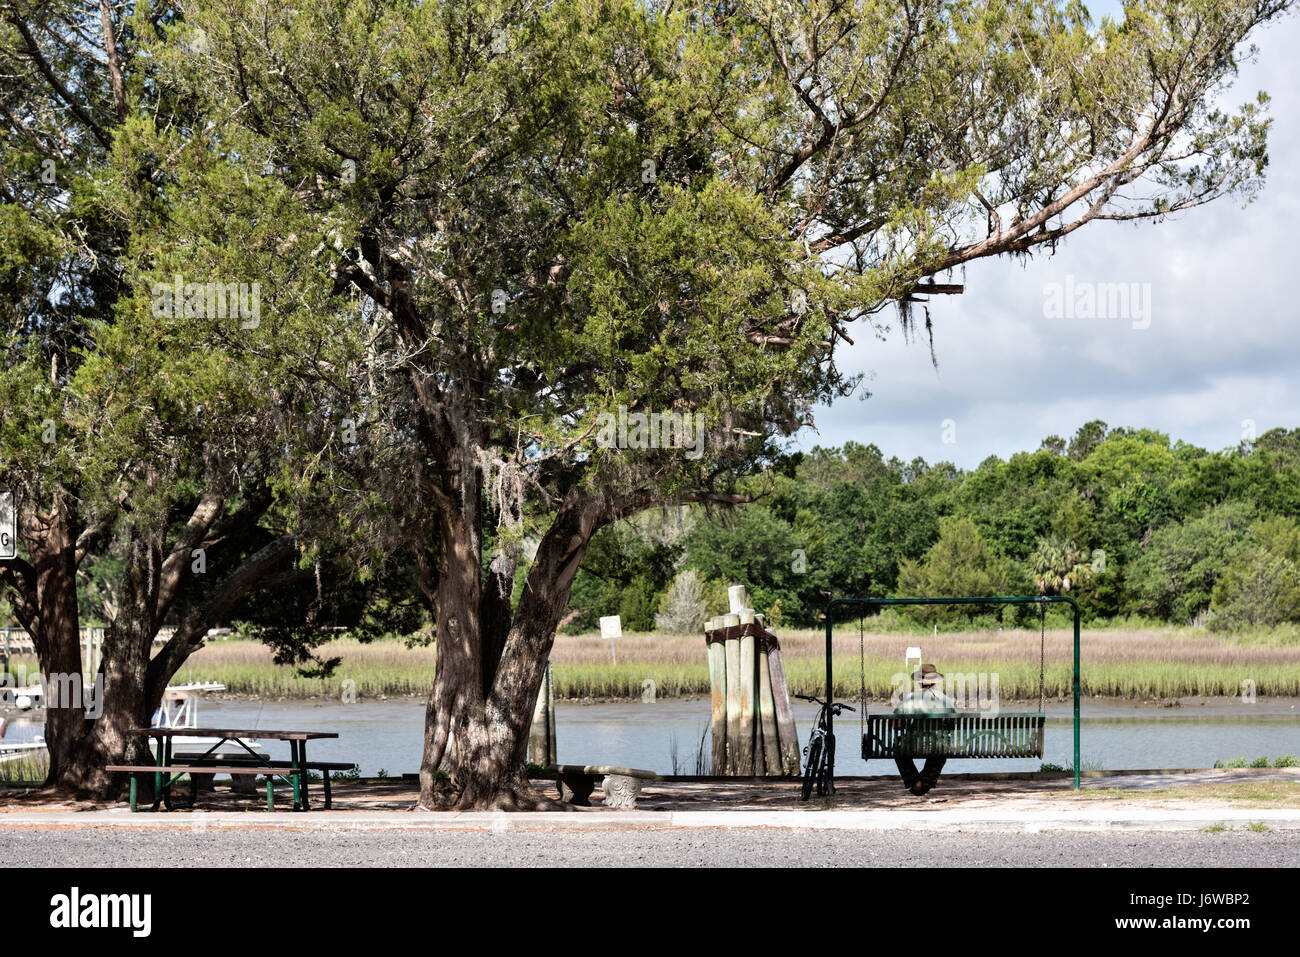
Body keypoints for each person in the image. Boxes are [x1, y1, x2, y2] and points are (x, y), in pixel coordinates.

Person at [893, 663, 957, 796]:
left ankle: (914, 781)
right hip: (938, 745)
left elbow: (896, 725)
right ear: (934, 681)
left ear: (919, 681)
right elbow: (952, 726)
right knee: (941, 750)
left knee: (898, 750)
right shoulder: (945, 700)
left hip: (912, 744)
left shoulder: (908, 699)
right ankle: (925, 781)